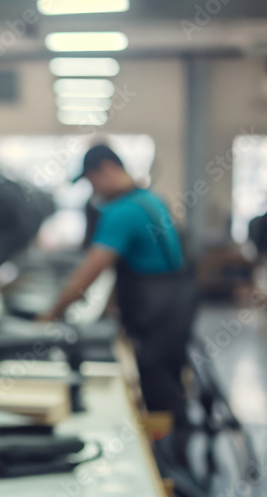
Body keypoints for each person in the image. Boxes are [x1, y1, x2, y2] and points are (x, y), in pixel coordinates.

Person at [38, 145, 197, 433]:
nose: (93, 192)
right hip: (175, 308)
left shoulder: (122, 212)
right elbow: (135, 261)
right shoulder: (150, 200)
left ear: (107, 170)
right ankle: (175, 445)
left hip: (156, 316)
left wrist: (49, 316)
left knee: (159, 391)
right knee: (169, 385)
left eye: (92, 182)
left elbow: (87, 275)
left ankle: (168, 453)